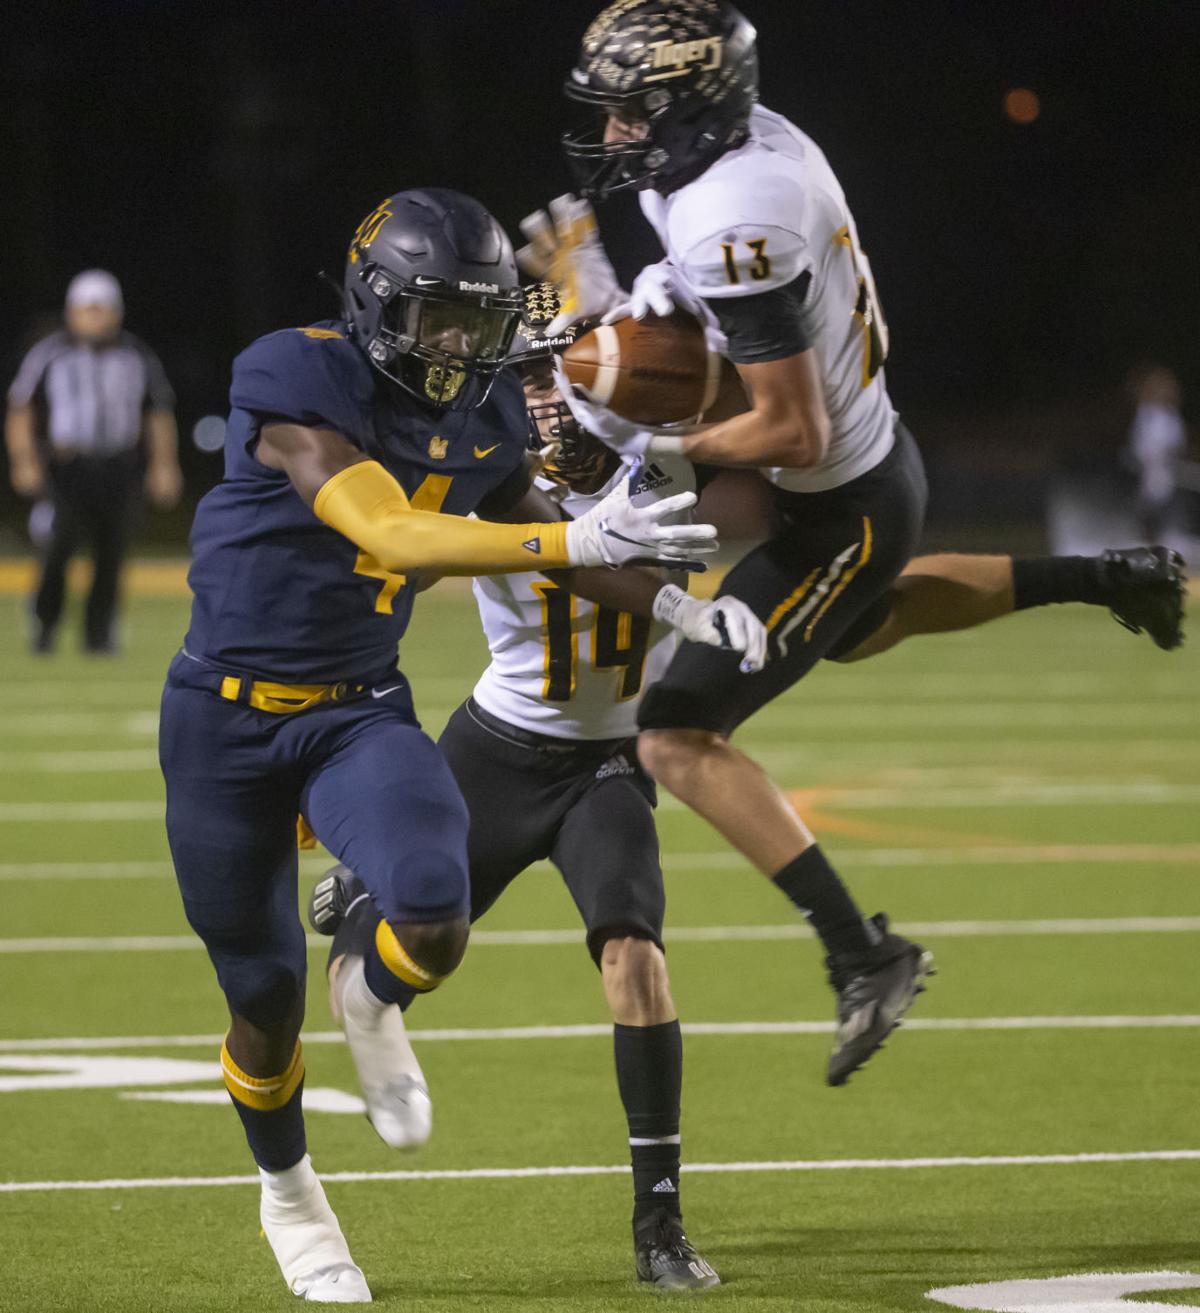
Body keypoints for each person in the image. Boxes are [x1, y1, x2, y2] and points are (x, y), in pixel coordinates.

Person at [526, 0, 1189, 1087]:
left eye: (632, 113)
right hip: (863, 477)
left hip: (841, 495)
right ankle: (1105, 575)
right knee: (857, 626)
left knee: (676, 734)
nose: (611, 138)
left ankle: (863, 952)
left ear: (692, 108)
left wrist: (662, 447)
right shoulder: (734, 157)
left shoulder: (743, 212)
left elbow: (790, 427)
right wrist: (620, 317)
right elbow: (708, 323)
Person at [158, 190, 716, 1304]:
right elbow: (389, 527)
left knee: (431, 904)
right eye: (439, 319)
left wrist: (680, 607)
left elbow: (545, 535)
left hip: (356, 704)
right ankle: (292, 1199)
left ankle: (367, 993)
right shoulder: (297, 372)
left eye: (478, 319)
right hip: (219, 720)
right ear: (375, 305)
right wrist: (567, 527)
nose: (462, 346)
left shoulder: (489, 409)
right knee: (262, 999)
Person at [308, 292, 764, 1293]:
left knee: (636, 956)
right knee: (412, 939)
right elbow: (393, 571)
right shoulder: (483, 475)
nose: (545, 399)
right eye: (528, 379)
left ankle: (659, 1218)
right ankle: (364, 934)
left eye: (558, 373)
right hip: (498, 747)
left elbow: (738, 377)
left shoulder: (669, 456)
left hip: (607, 760)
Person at [4, 270, 182, 653]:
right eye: (88, 310)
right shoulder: (50, 353)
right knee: (57, 548)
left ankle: (99, 635)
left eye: (103, 310)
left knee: (112, 552)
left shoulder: (136, 354)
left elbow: (157, 412)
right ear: (73, 311)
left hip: (118, 467)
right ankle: (45, 623)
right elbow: (21, 408)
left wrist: (164, 465)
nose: (96, 318)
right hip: (67, 467)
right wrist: (23, 460)